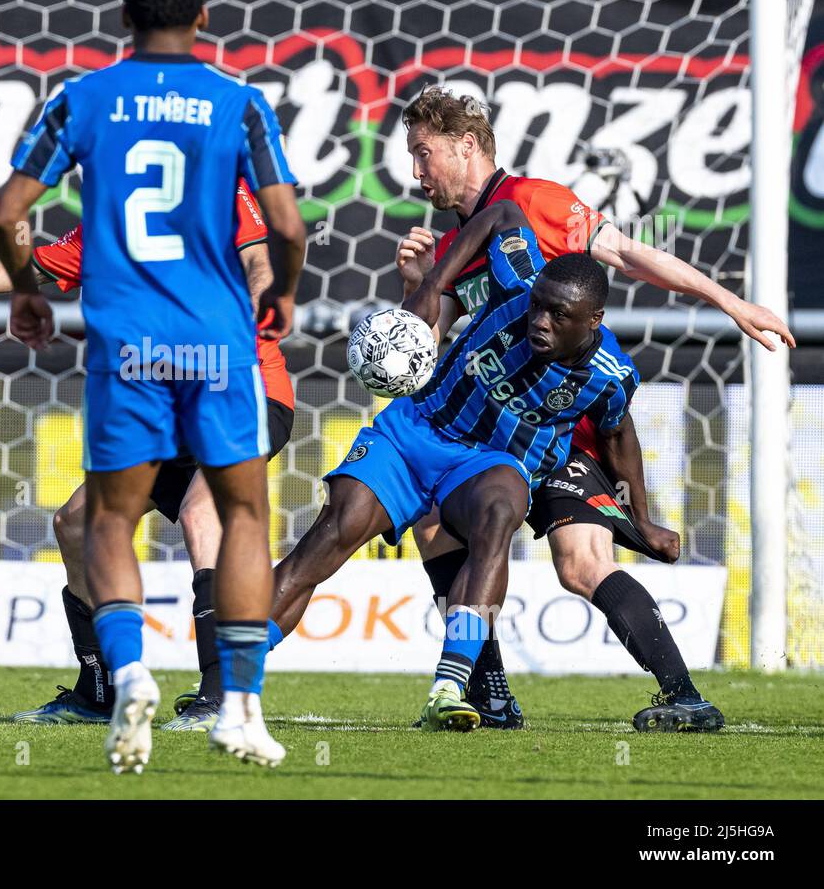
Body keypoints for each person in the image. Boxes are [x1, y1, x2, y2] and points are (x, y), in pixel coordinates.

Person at [0, 0, 306, 771]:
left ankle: (128, 674)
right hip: (220, 345)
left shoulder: (82, 99)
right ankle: (240, 706)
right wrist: (285, 294)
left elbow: (9, 212)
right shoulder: (238, 104)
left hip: (128, 346)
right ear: (204, 18)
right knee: (239, 516)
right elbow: (289, 227)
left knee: (108, 520)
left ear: (123, 20)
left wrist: (28, 289)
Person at [392, 86, 793, 731]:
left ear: (466, 145)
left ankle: (683, 694)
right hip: (491, 432)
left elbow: (632, 254)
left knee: (582, 564)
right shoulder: (452, 246)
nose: (416, 173)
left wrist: (733, 305)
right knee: (435, 524)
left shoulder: (533, 202)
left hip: (559, 429)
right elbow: (424, 347)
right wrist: (417, 287)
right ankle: (490, 695)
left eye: (424, 153)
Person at [0, 181, 296, 731]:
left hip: (246, 392)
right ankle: (98, 690)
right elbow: (20, 269)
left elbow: (260, 265)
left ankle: (223, 697)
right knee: (75, 524)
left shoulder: (218, 186)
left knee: (203, 513)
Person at [271, 200, 639, 730]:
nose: (539, 321)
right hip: (414, 433)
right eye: (538, 307)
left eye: (557, 316)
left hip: (490, 463)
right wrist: (429, 287)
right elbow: (506, 212)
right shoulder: (517, 280)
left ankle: (450, 685)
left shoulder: (611, 374)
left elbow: (618, 433)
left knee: (500, 513)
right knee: (330, 536)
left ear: (593, 321)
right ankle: (226, 683)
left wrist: (640, 519)